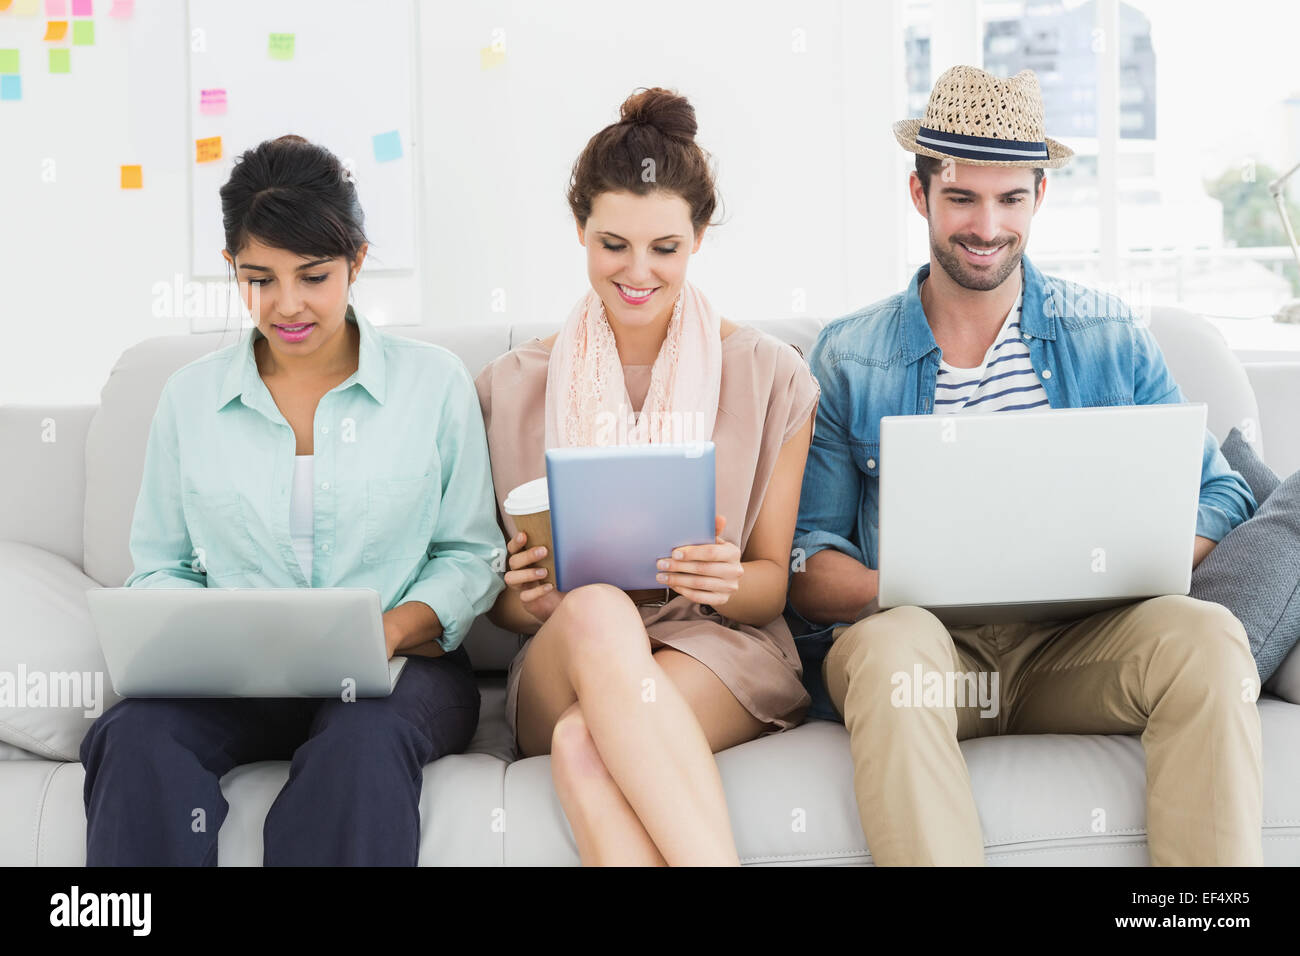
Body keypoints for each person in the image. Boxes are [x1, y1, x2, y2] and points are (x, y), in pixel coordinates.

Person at [786, 66, 1263, 866]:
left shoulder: (1106, 334)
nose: (986, 226)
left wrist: (1131, 558)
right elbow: (807, 559)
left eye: (1010, 199)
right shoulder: (849, 355)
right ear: (919, 195)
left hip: (1074, 651)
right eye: (962, 198)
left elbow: (1219, 493)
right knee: (889, 646)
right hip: (929, 655)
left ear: (1039, 198)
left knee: (1209, 637)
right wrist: (917, 581)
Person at [79, 135, 505, 866]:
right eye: (260, 279)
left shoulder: (432, 385)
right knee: (133, 737)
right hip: (234, 682)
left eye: (313, 276)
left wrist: (395, 628)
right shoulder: (190, 398)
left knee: (361, 747)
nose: (288, 306)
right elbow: (160, 566)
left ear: (357, 261)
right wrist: (206, 634)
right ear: (232, 271)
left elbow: (470, 553)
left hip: (399, 671)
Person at [474, 87, 819, 866]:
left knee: (583, 745)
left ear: (698, 237)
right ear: (580, 232)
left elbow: (774, 588)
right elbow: (497, 607)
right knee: (596, 611)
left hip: (713, 642)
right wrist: (523, 595)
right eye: (613, 244)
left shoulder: (772, 377)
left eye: (664, 247)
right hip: (569, 648)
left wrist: (727, 577)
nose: (637, 272)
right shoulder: (510, 386)